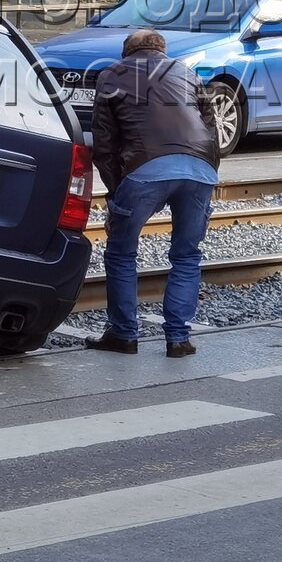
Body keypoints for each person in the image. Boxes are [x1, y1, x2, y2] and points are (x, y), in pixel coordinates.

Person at [86, 28, 220, 358]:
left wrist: (116, 191)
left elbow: (103, 142)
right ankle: (178, 339)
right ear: (162, 50)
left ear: (126, 52)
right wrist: (208, 169)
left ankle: (124, 334)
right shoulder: (186, 72)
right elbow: (211, 127)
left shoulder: (111, 75)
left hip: (144, 168)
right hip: (199, 167)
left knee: (121, 252)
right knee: (187, 255)